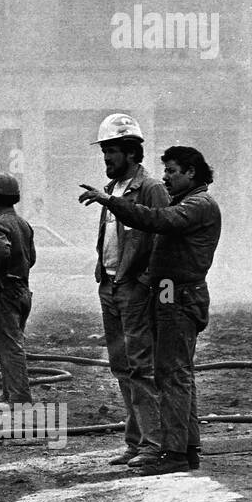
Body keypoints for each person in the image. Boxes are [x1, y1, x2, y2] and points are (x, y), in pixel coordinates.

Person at [80, 146, 221, 476]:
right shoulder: (189, 202)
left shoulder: (198, 205)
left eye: (172, 171)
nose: (167, 176)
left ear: (191, 173)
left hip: (179, 296)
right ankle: (185, 448)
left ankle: (174, 451)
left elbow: (158, 220)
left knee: (172, 374)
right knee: (175, 372)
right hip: (171, 294)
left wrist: (111, 202)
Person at [88, 114, 170, 469]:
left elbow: (164, 236)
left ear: (131, 152)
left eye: (111, 151)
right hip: (110, 286)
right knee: (122, 367)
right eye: (104, 150)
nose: (106, 158)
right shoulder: (112, 191)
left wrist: (145, 280)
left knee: (142, 368)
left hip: (134, 290)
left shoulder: (150, 189)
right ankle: (135, 442)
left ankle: (153, 444)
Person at [0, 172, 36, 405]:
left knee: (10, 346)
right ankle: (9, 393)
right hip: (23, 290)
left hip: (7, 293)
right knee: (9, 343)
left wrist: (0, 274)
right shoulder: (24, 224)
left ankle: (20, 397)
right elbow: (30, 258)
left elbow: (2, 251)